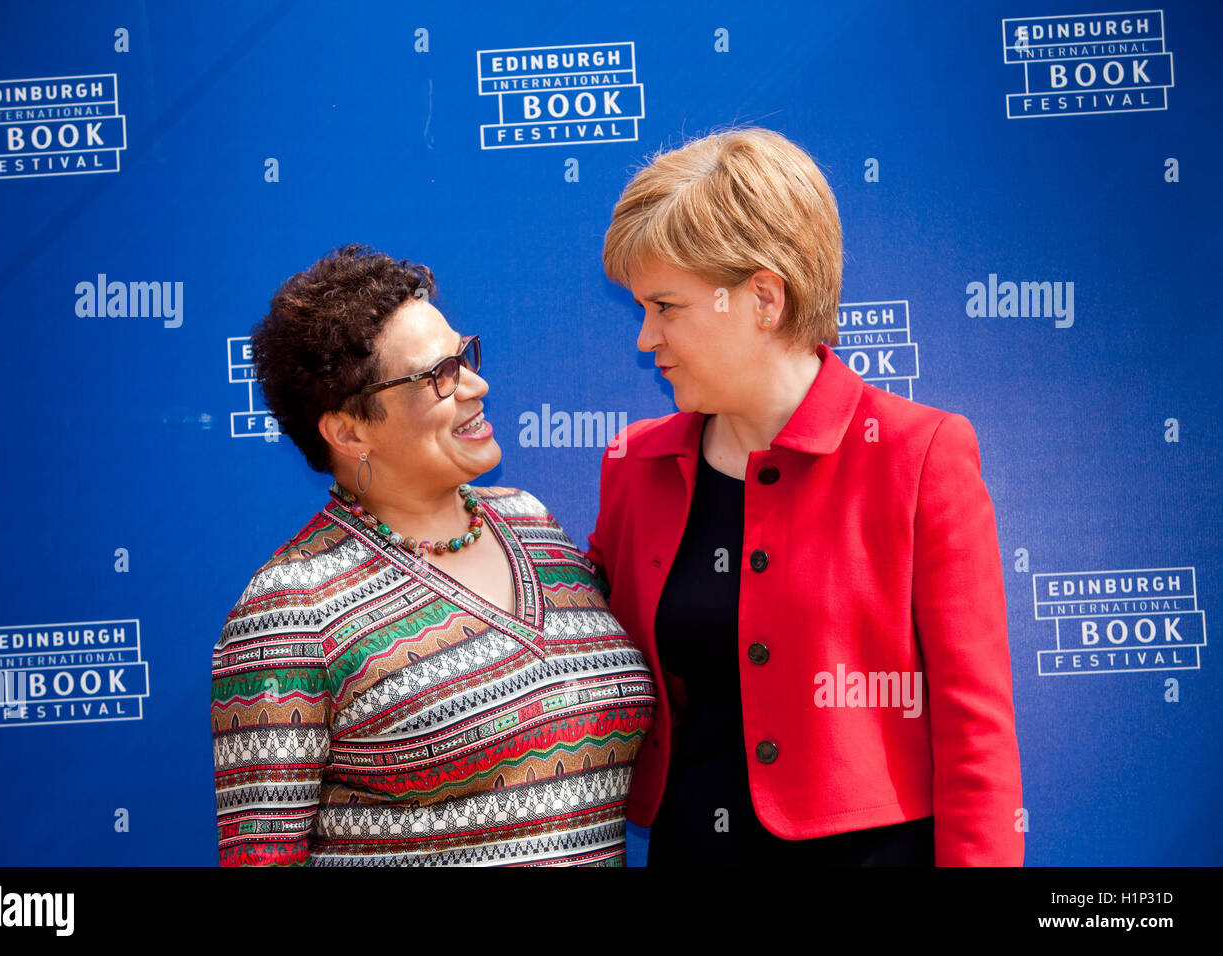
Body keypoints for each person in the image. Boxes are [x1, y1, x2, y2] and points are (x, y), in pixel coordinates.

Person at [588, 127, 1024, 866]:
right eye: (641, 308)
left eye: (666, 306)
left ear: (763, 296)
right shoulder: (637, 466)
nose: (645, 338)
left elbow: (975, 730)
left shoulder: (920, 456)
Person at [212, 244, 656, 866]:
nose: (477, 385)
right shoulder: (292, 610)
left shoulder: (533, 526)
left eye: (465, 356)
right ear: (349, 431)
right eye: (438, 375)